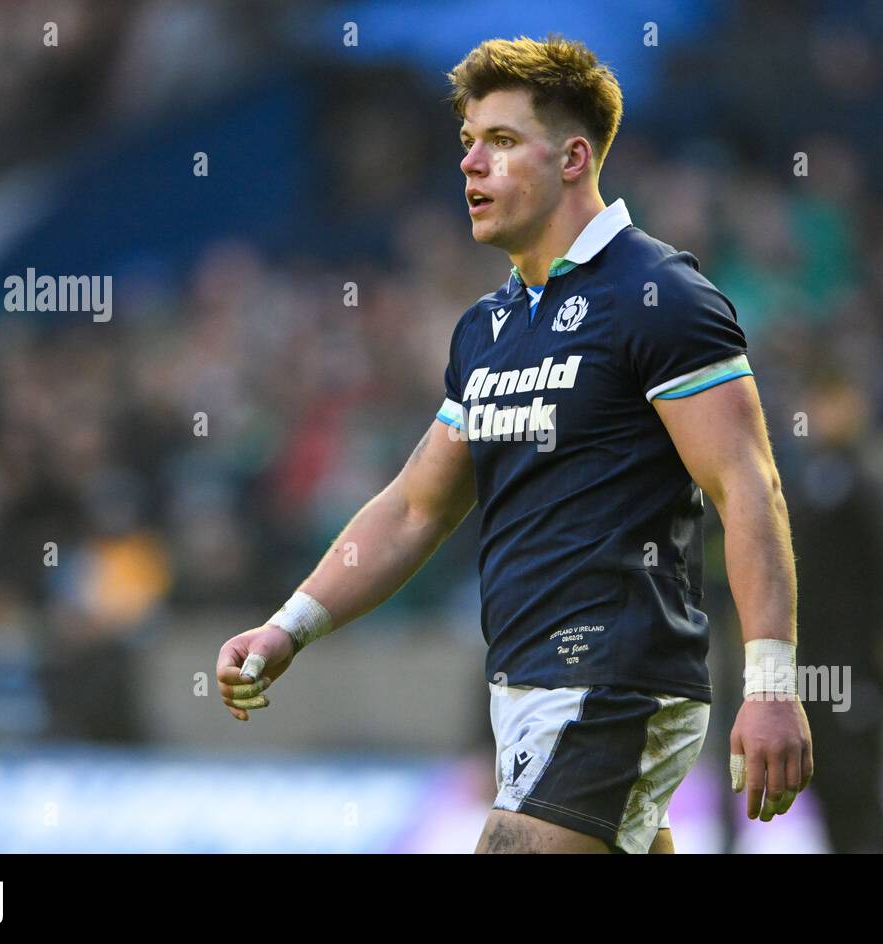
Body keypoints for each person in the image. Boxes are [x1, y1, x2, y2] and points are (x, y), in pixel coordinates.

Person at [217, 34, 811, 854]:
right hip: (522, 687)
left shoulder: (661, 296)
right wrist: (288, 628)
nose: (470, 164)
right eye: (467, 143)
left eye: (499, 141)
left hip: (616, 678)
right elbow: (416, 507)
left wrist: (772, 684)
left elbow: (750, 488)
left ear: (574, 158)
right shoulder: (488, 327)